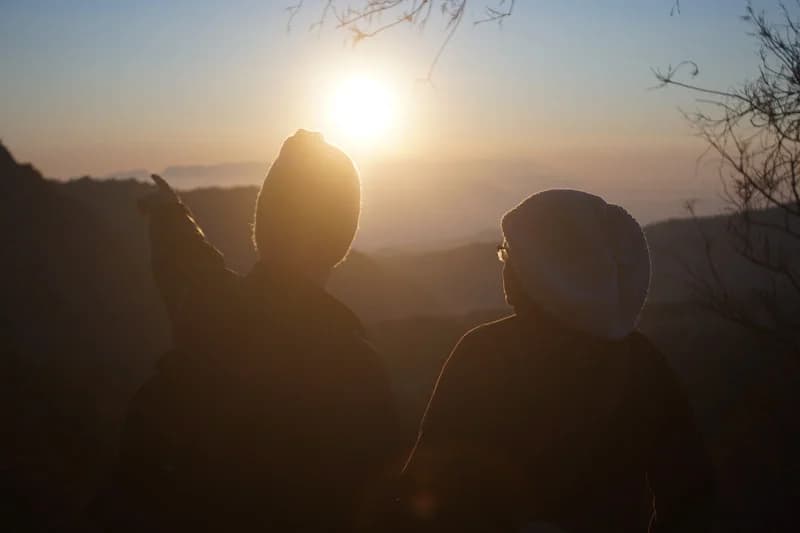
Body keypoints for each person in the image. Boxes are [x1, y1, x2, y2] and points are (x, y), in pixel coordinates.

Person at [98, 130, 402, 532]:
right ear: (341, 241)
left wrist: (170, 216)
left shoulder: (210, 320)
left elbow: (190, 270)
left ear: (262, 228)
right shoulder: (357, 377)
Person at [401, 190, 715, 532]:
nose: (505, 268)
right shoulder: (642, 363)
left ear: (548, 267)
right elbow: (689, 493)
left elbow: (422, 485)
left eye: (511, 254)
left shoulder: (483, 353)